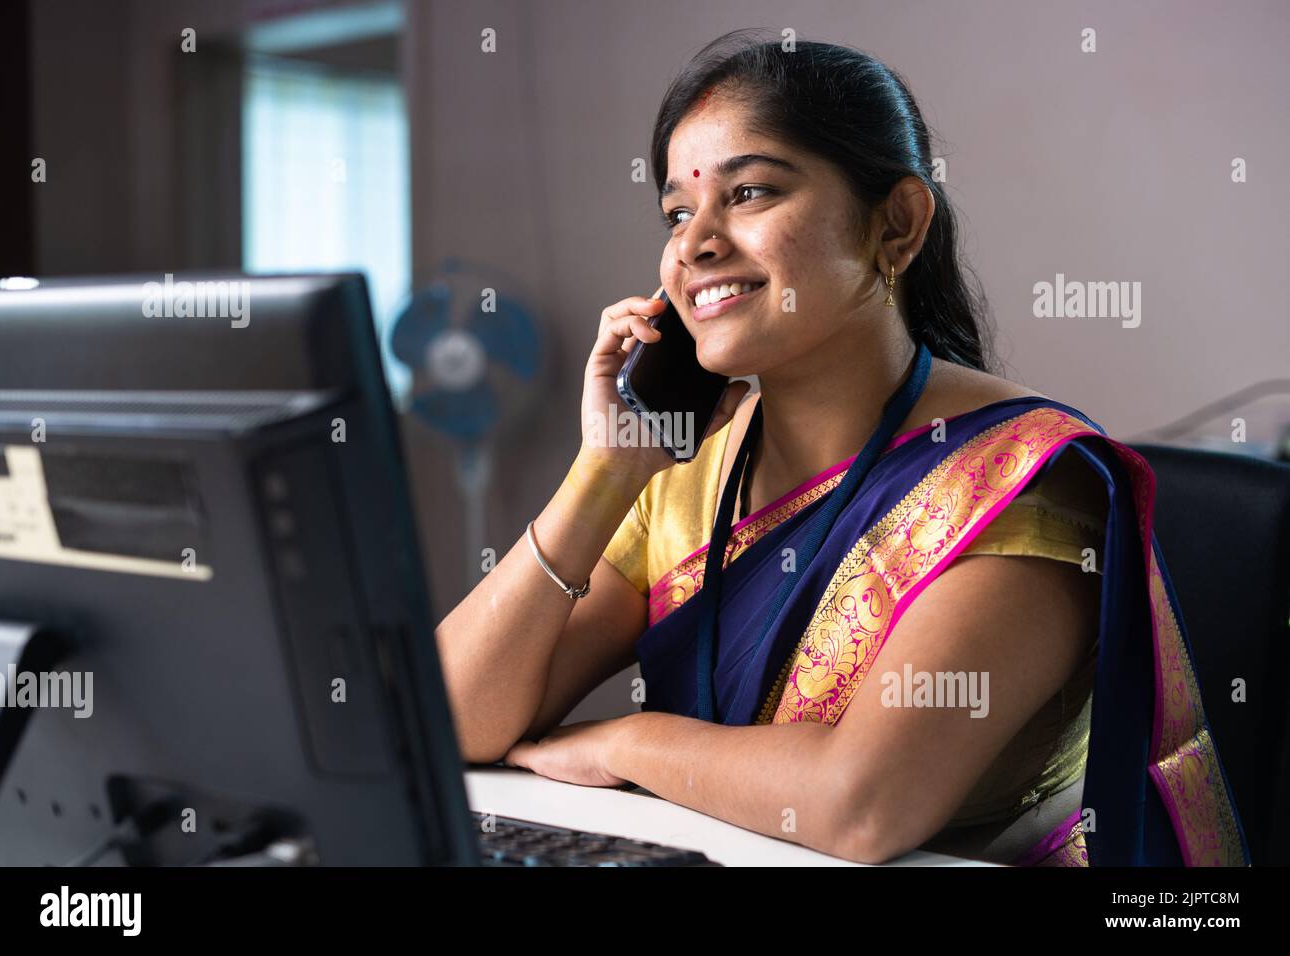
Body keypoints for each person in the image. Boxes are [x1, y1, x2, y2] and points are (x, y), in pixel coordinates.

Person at [435, 32, 1248, 866]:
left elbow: (860, 806)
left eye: (748, 193)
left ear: (896, 226)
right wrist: (603, 472)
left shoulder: (1020, 480)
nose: (694, 244)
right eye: (679, 211)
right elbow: (448, 721)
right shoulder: (687, 472)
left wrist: (624, 744)